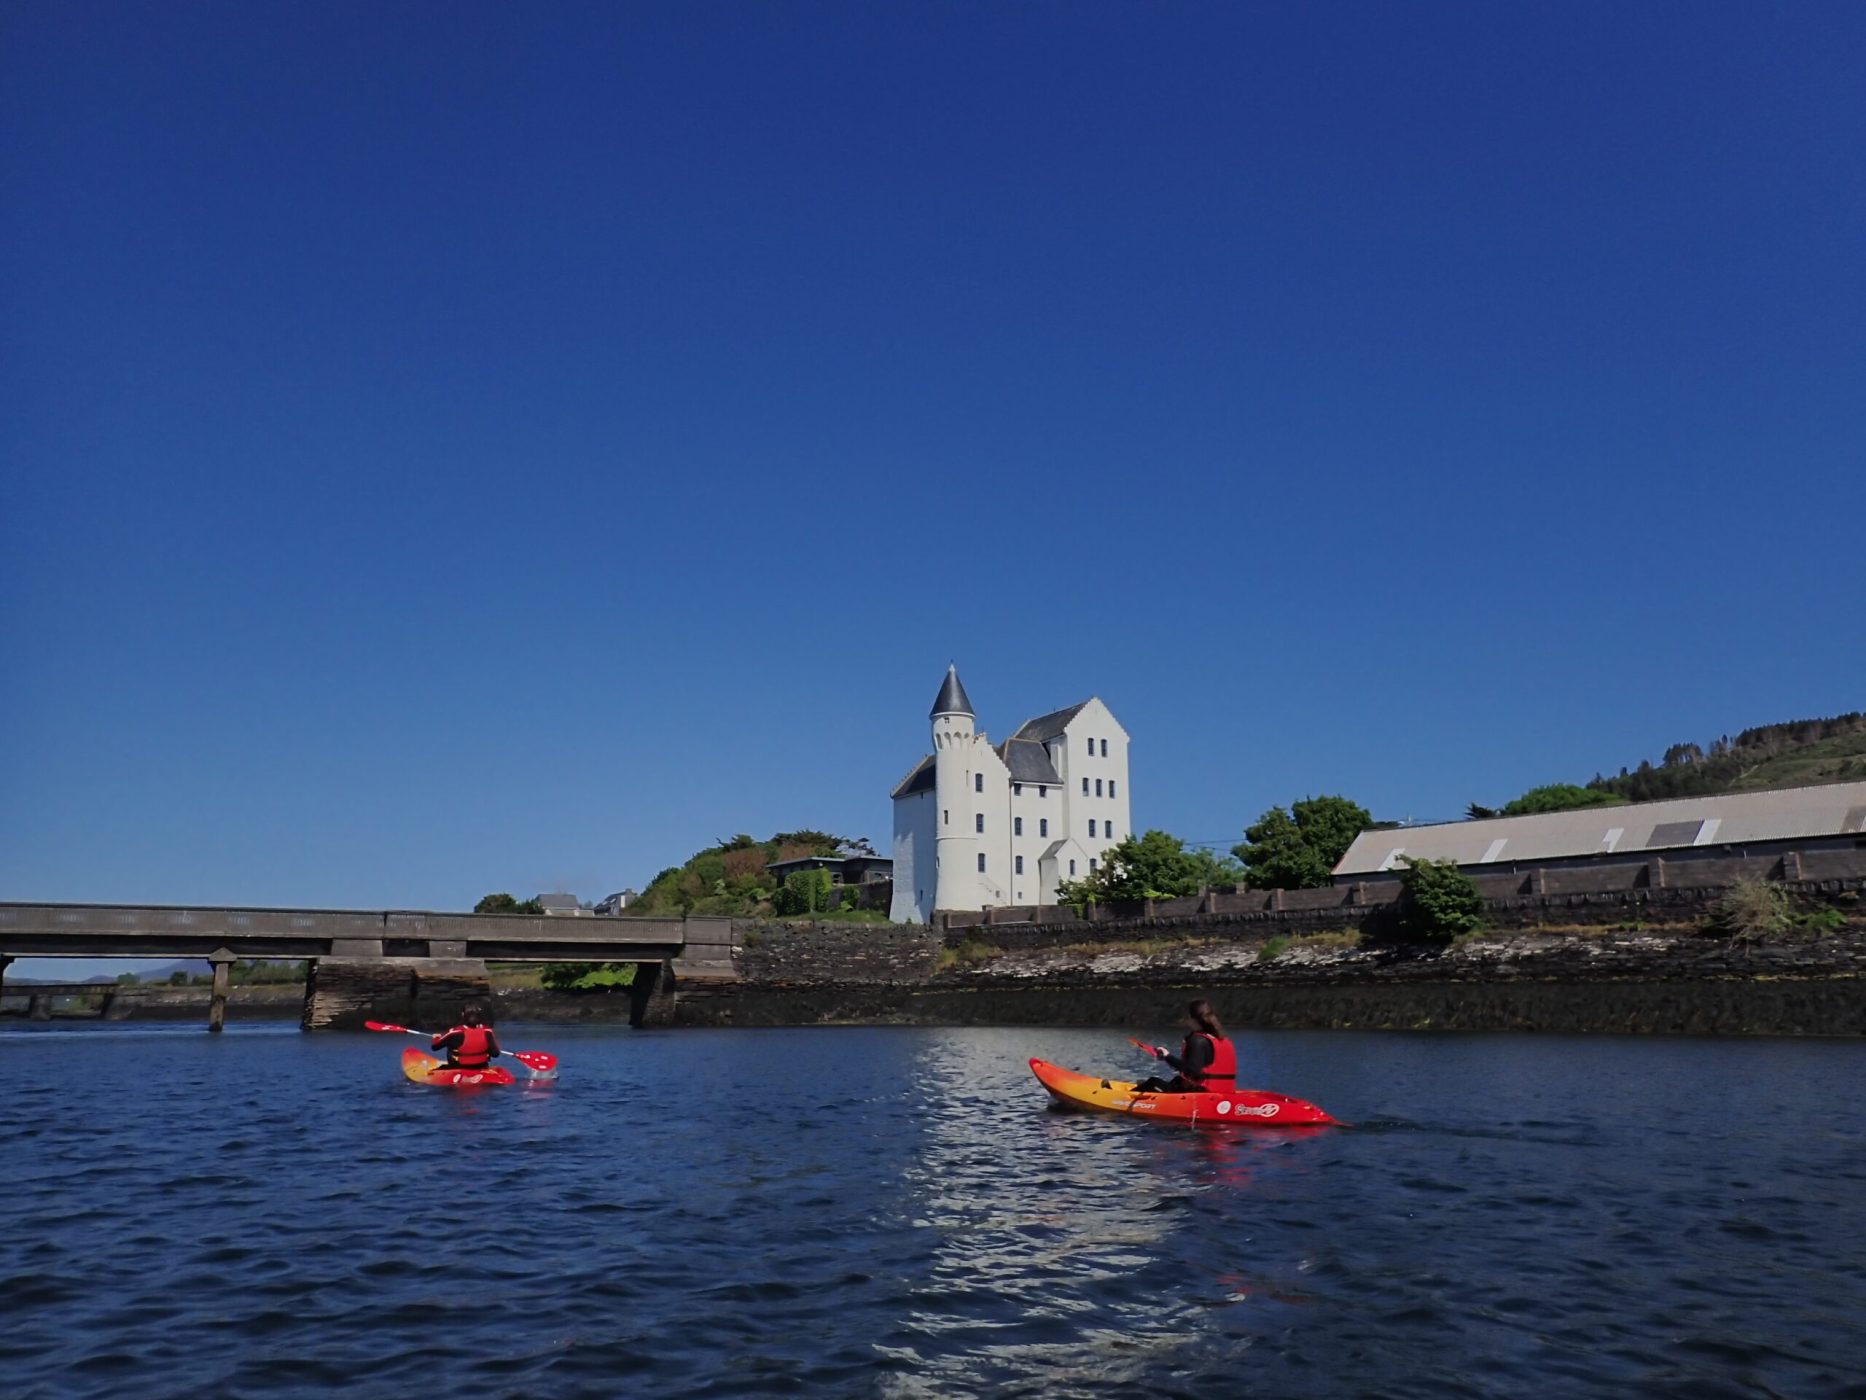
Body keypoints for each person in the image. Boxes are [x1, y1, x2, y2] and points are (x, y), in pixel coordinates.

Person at [1135, 999, 1236, 1094]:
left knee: (1152, 1082)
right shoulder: (1222, 1039)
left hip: (1201, 1095)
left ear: (1191, 1019)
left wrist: (1167, 1057)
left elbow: (1191, 1072)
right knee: (1176, 1080)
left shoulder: (1197, 1040)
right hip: (1224, 1094)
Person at [431, 1004, 504, 1070]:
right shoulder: (488, 1031)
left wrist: (436, 1038)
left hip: (459, 1067)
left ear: (463, 1015)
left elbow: (435, 1047)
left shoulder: (455, 1032)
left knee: (450, 1045)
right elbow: (495, 1053)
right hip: (482, 1066)